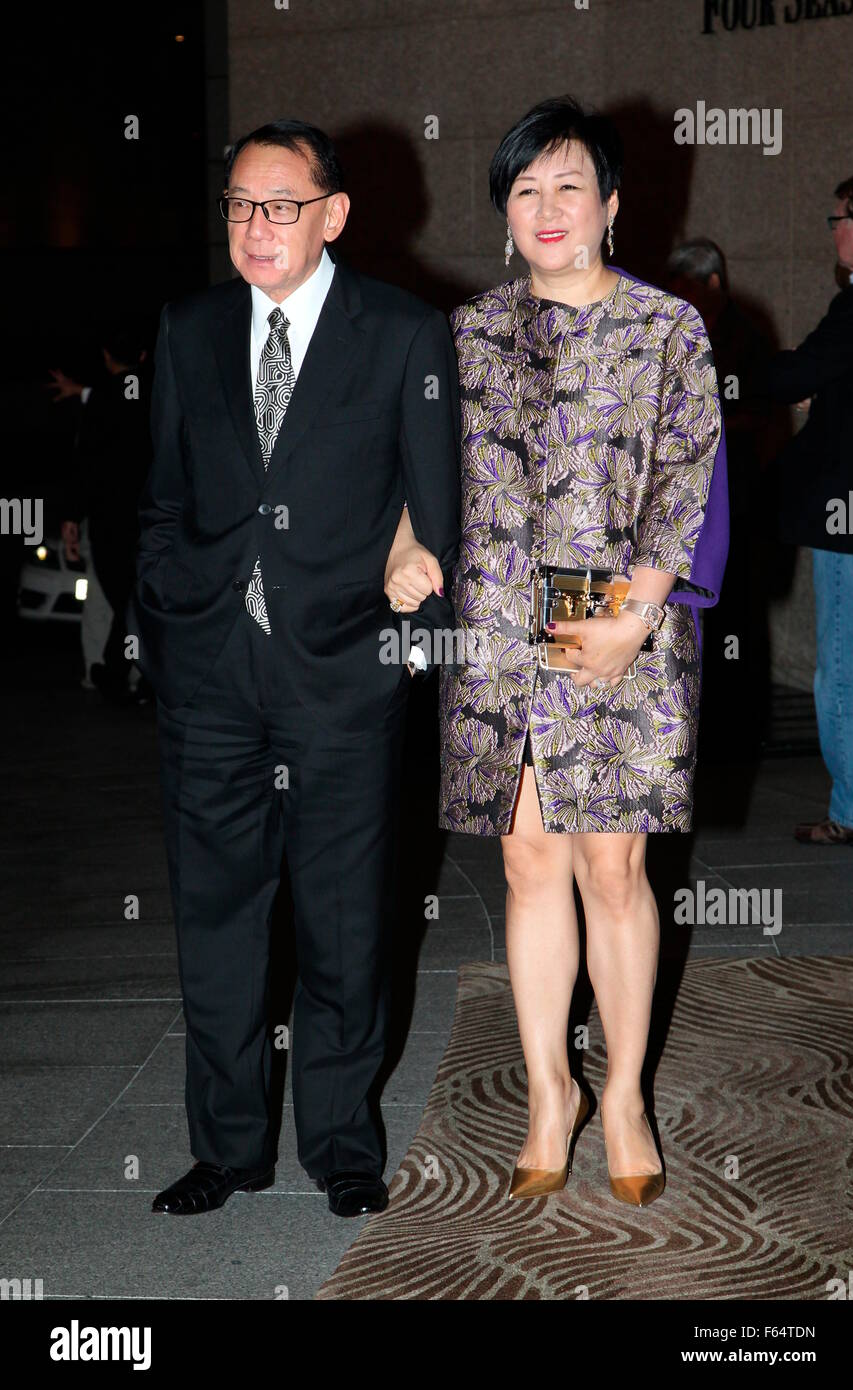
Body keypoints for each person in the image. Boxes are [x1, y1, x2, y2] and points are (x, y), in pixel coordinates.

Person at [386, 97, 728, 1206]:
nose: (544, 206)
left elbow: (688, 477)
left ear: (611, 206)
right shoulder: (466, 334)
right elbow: (420, 469)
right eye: (522, 188)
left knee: (613, 867)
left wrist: (637, 614)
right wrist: (403, 540)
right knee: (528, 861)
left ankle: (621, 1089)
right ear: (503, 212)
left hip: (620, 622)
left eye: (566, 184)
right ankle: (548, 1089)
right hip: (496, 633)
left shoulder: (667, 328)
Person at [131, 119, 461, 1218]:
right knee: (217, 922)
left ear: (333, 215)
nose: (253, 225)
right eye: (236, 204)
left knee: (343, 921)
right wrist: (168, 622)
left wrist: (411, 599)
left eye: (278, 204)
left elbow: (435, 505)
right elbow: (166, 499)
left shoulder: (403, 333)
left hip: (341, 676)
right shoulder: (189, 329)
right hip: (212, 679)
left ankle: (339, 1141)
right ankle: (226, 1146)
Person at [760, 171, 853, 846]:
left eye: (840, 220)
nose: (833, 232)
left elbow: (806, 369)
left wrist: (727, 369)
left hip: (851, 520)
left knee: (846, 665)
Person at [666, 238, 780, 758]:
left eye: (688, 288)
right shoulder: (683, 329)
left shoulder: (743, 336)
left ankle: (738, 731)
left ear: (713, 284)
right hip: (695, 495)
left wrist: (708, 425)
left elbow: (760, 411)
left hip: (735, 496)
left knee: (736, 616)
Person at [59, 322, 154, 704]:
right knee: (137, 597)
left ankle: (115, 671)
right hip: (152, 516)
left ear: (106, 357)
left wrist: (71, 515)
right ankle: (130, 674)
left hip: (110, 519)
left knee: (122, 597)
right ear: (144, 357)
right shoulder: (160, 393)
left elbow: (85, 463)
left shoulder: (105, 399)